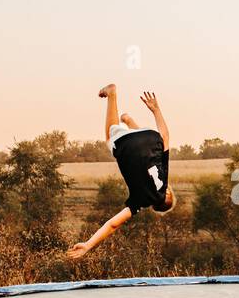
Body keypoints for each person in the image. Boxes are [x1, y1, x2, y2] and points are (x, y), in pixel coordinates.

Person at [67, 84, 175, 259]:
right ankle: (112, 95)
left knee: (148, 148)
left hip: (150, 135)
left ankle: (128, 120)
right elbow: (112, 225)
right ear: (154, 206)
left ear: (168, 192)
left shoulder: (163, 180)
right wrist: (88, 245)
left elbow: (166, 136)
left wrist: (156, 110)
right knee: (111, 138)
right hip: (128, 143)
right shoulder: (140, 202)